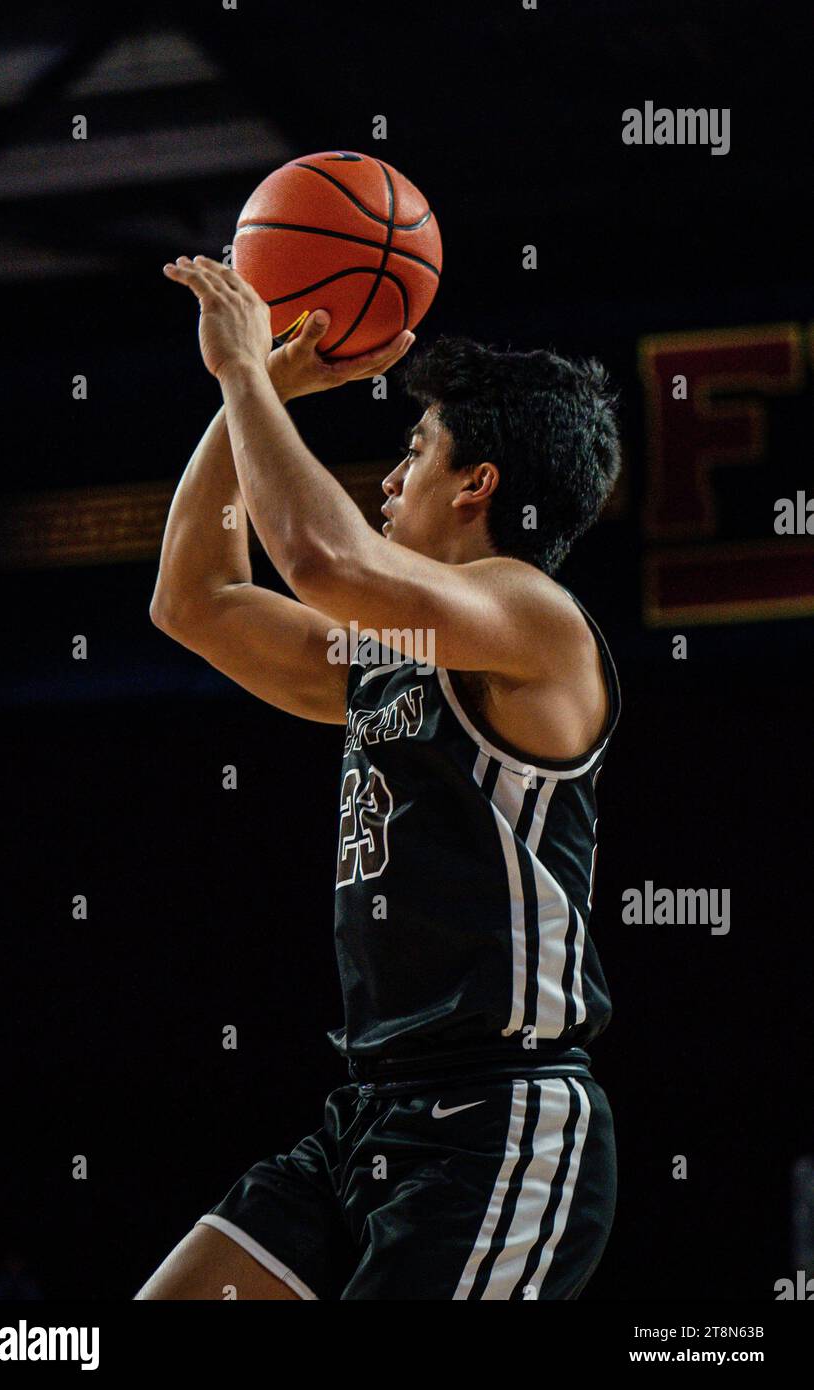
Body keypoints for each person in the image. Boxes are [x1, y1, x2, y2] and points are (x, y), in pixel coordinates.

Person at [136, 256, 622, 1300]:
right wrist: (256, 396)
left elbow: (322, 558)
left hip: (501, 1118)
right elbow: (194, 597)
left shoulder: (531, 617)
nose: (390, 479)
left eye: (414, 450)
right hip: (370, 1114)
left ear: (476, 482)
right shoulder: (388, 655)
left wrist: (242, 379)